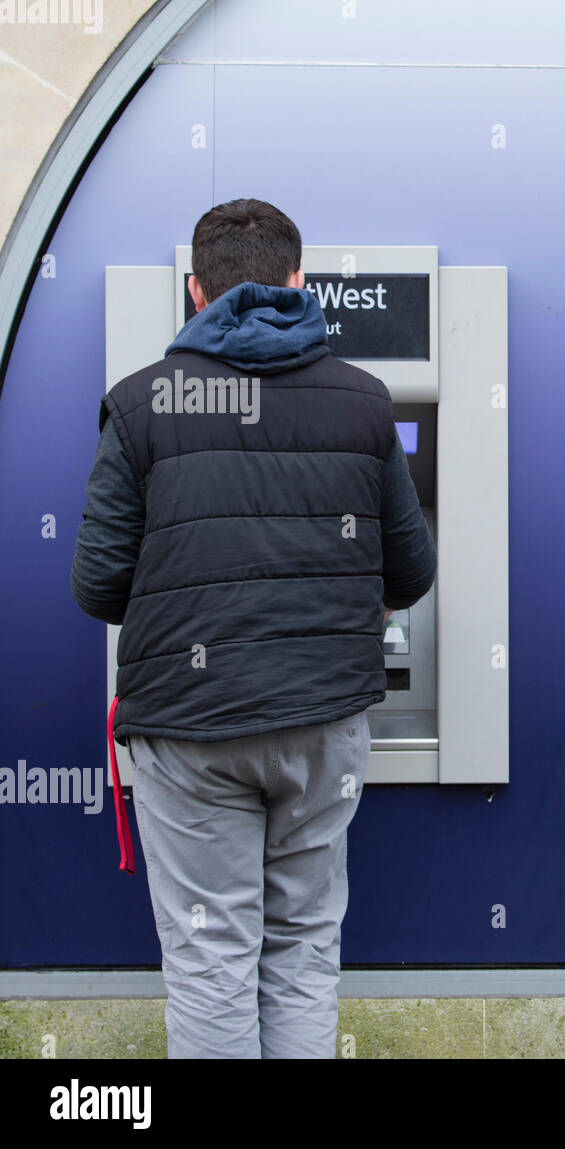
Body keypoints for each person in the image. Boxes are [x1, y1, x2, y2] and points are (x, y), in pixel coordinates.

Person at [69, 198, 435, 1058]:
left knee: (210, 957)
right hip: (322, 722)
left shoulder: (140, 405)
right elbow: (410, 572)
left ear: (194, 292)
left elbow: (97, 585)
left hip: (190, 731)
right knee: (304, 946)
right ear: (299, 282)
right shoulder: (364, 402)